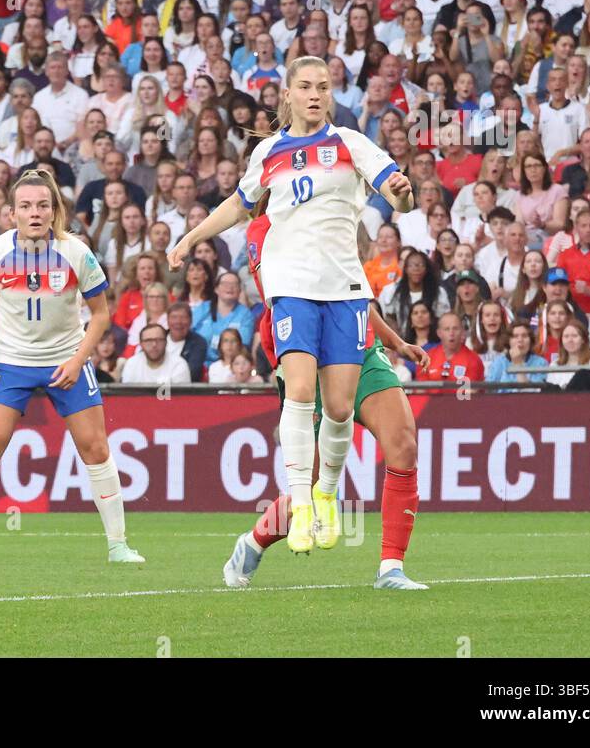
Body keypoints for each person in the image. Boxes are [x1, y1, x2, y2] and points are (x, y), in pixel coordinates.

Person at [170, 55, 415, 557]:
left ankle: (325, 495)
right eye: (304, 86)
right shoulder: (269, 152)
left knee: (341, 407)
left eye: (323, 87)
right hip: (292, 291)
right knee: (301, 391)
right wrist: (190, 238)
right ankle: (301, 505)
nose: (314, 94)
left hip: (345, 291)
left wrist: (404, 197)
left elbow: (397, 192)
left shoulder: (351, 144)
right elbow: (238, 203)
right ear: (288, 94)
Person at [222, 209, 432, 591]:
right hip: (307, 356)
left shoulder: (330, 208)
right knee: (315, 485)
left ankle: (391, 568)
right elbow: (286, 293)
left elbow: (350, 290)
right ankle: (253, 541)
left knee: (403, 443)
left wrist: (393, 340)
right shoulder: (263, 228)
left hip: (359, 346)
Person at [0, 168, 144, 564]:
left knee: (95, 448)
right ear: (12, 213)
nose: (34, 213)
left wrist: (78, 360)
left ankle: (118, 545)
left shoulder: (76, 252)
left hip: (64, 360)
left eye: (42, 205)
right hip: (9, 360)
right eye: (25, 206)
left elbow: (101, 314)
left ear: (54, 210)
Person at [120, 322, 192, 383]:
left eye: (159, 340)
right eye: (148, 340)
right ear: (141, 344)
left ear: (166, 342)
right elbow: (127, 397)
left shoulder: (179, 365)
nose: (154, 345)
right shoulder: (131, 364)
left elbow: (181, 398)